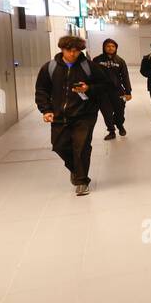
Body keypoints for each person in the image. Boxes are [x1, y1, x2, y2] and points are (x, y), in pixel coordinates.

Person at [35, 35, 108, 196]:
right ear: (62, 49)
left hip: (85, 114)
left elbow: (104, 85)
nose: (73, 54)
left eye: (76, 51)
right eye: (69, 50)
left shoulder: (89, 67)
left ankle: (81, 181)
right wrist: (46, 110)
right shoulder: (50, 67)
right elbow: (41, 90)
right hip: (59, 115)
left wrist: (88, 88)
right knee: (59, 145)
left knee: (81, 146)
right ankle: (76, 169)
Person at [91, 38, 133, 139]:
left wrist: (128, 91)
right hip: (102, 92)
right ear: (104, 47)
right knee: (107, 113)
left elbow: (125, 76)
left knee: (120, 111)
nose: (110, 48)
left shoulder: (120, 61)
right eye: (108, 46)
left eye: (113, 46)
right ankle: (111, 131)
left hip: (118, 91)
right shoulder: (97, 60)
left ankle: (120, 125)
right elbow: (91, 76)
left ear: (116, 48)